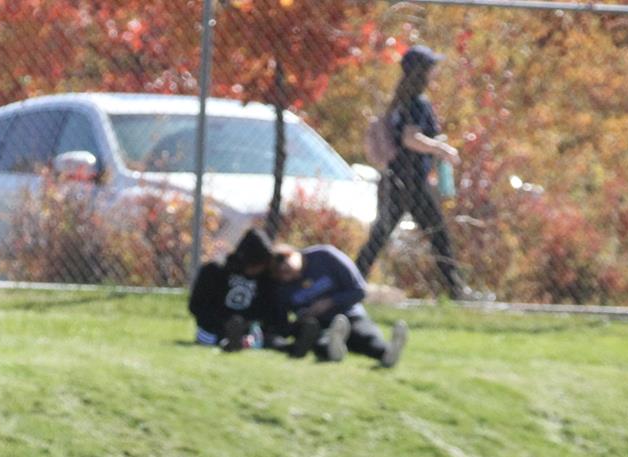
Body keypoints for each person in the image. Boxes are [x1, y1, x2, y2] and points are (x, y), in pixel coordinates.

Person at [356, 45, 464, 299]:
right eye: (429, 69)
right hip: (411, 182)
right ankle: (457, 292)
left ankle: (354, 278)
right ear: (420, 72)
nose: (432, 74)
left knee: (380, 236)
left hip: (397, 180)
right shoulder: (415, 103)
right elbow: (410, 138)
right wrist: (442, 149)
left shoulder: (399, 101)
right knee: (438, 235)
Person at [272, 242, 408, 368]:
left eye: (287, 271)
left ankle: (387, 352)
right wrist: (306, 315)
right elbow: (288, 314)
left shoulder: (325, 256)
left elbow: (359, 291)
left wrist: (330, 302)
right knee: (320, 340)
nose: (289, 278)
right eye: (282, 276)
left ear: (290, 255)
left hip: (350, 314)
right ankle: (335, 350)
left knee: (364, 336)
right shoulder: (282, 285)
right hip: (320, 324)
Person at [189, 228, 275, 351]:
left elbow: (265, 307)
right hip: (213, 326)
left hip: (247, 327)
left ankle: (235, 340)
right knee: (209, 337)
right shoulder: (215, 270)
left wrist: (248, 322)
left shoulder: (264, 279)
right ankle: (229, 341)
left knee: (258, 338)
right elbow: (197, 305)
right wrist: (223, 322)